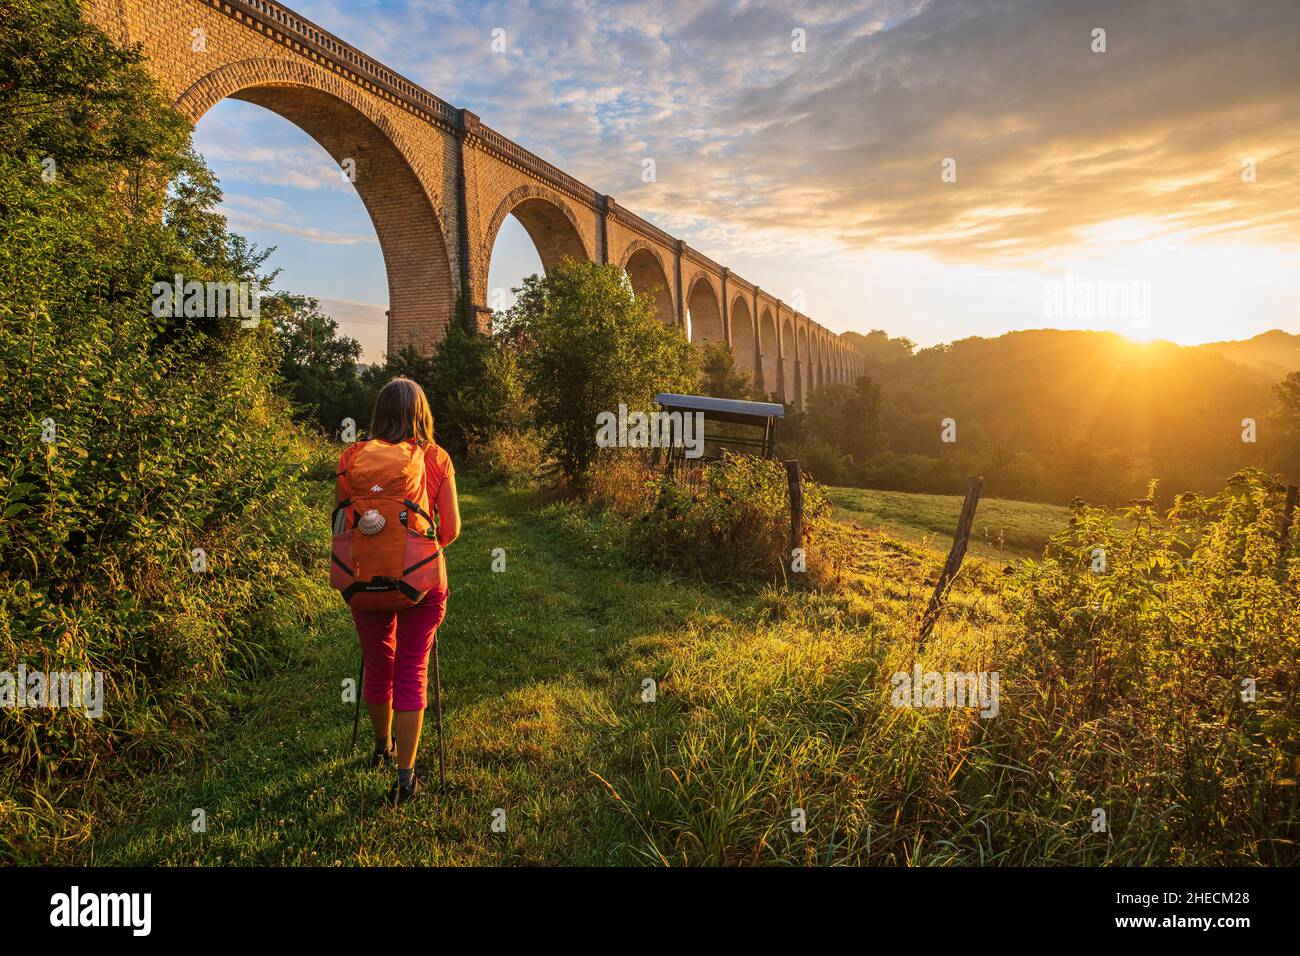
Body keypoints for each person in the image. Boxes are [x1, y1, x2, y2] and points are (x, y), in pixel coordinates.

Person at [335, 377, 460, 804]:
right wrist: (420, 553)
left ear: (379, 412)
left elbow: (343, 524)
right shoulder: (436, 457)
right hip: (421, 584)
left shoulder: (352, 456)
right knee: (411, 668)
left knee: (377, 664)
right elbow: (451, 529)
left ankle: (380, 747)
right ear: (421, 413)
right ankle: (406, 777)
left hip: (362, 580)